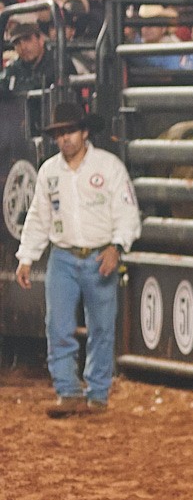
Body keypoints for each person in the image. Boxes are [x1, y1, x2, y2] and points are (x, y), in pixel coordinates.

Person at [12, 95, 139, 418]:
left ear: (84, 132)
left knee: (101, 327)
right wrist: (27, 256)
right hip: (63, 256)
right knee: (58, 325)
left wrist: (117, 247)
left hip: (100, 255)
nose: (64, 138)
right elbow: (39, 217)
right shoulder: (49, 172)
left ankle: (97, 393)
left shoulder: (108, 167)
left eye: (69, 131)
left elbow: (127, 213)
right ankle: (67, 391)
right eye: (59, 133)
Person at [2, 16, 60, 94]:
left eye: (27, 39)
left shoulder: (58, 62)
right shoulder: (14, 67)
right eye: (17, 43)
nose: (23, 47)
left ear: (41, 40)